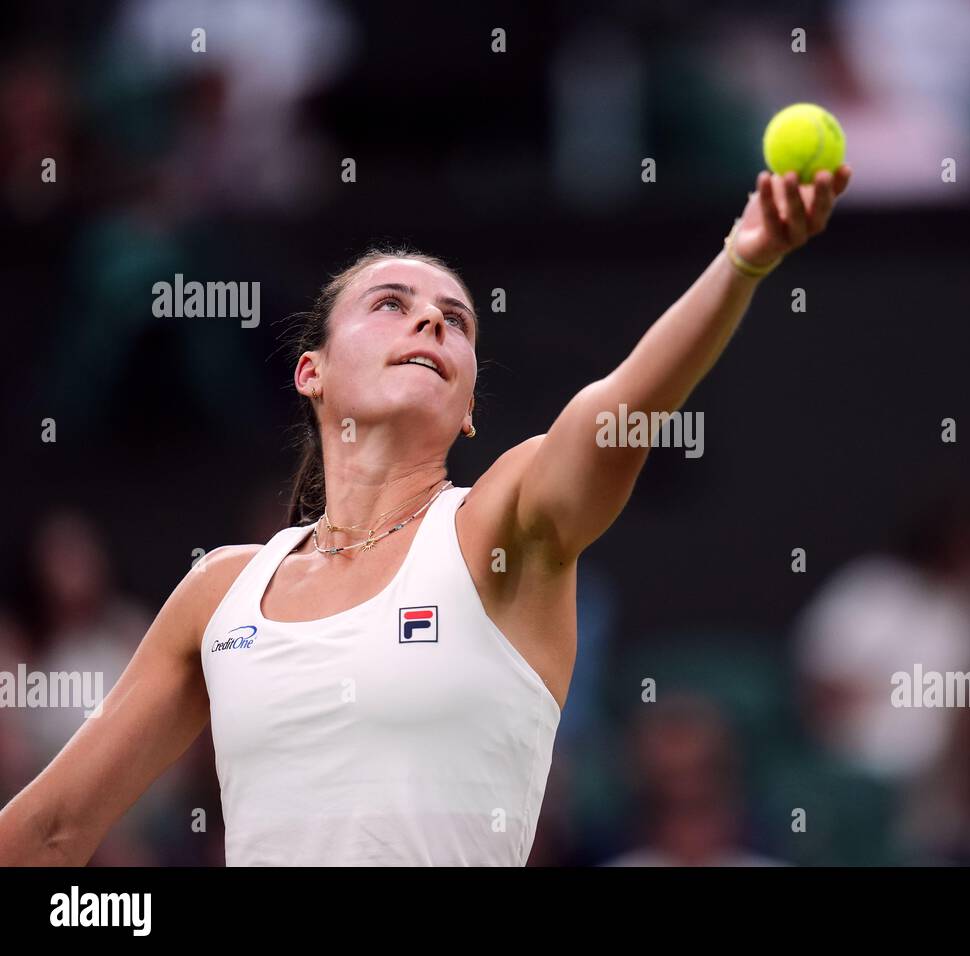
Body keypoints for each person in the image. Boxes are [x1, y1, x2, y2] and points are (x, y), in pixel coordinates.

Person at [0, 164, 852, 866]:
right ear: (313, 374)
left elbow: (621, 408)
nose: (430, 324)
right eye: (392, 305)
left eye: (456, 322)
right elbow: (52, 829)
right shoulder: (218, 590)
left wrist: (743, 261)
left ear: (470, 406)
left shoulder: (499, 530)